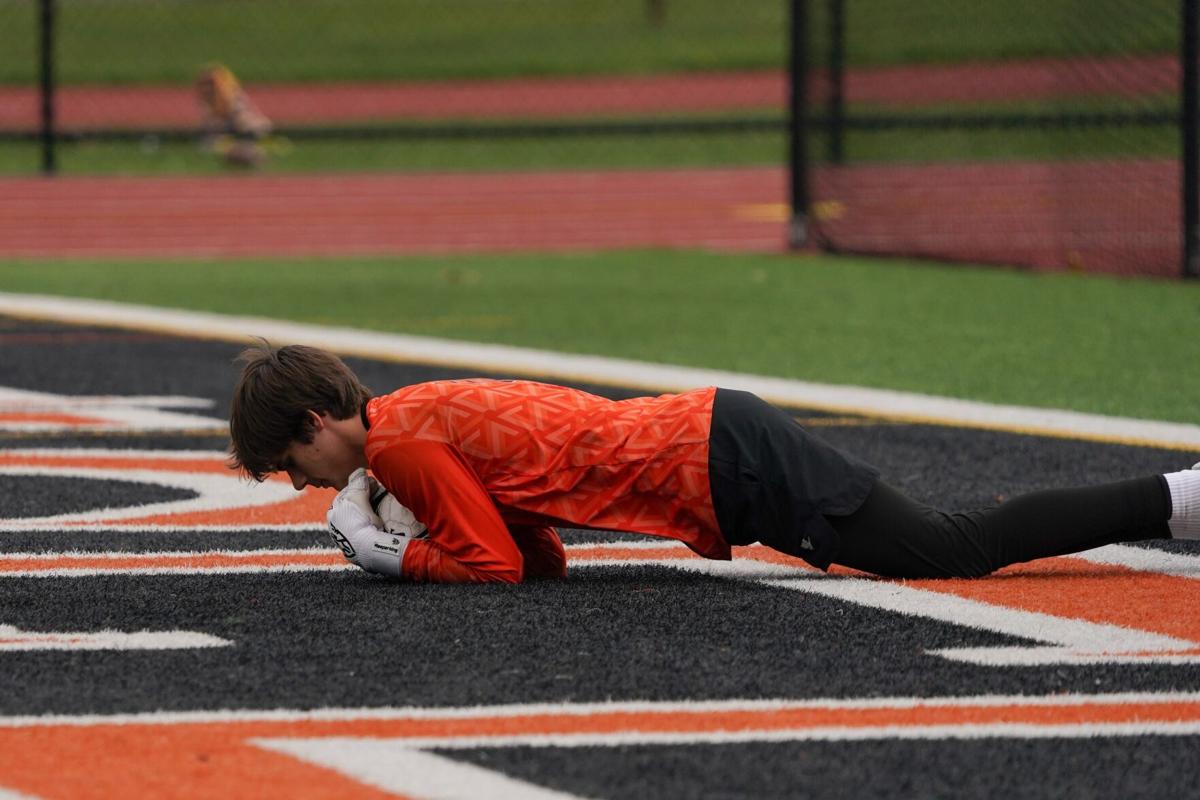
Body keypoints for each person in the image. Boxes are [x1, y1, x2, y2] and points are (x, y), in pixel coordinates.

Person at [227, 344, 1200, 584]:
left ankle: (1178, 495)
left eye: (290, 459)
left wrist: (383, 552)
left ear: (318, 420)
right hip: (716, 443)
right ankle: (1179, 499)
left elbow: (494, 569)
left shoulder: (401, 444)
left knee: (949, 547)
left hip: (721, 458)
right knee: (944, 538)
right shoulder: (412, 422)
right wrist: (426, 522)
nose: (303, 482)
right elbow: (542, 556)